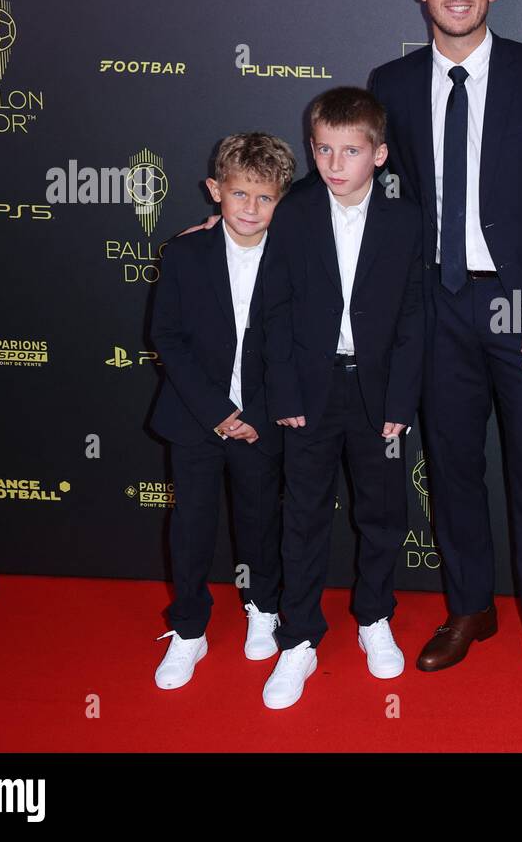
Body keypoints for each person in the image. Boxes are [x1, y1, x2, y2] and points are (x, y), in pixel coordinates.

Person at [370, 0, 522, 704]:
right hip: (433, 307)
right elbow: (356, 187)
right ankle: (469, 609)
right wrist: (241, 220)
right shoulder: (390, 84)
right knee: (453, 469)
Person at [258, 86, 424, 709]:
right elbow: (272, 307)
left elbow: (414, 315)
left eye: (349, 151)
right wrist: (284, 390)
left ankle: (374, 615)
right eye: (323, 149)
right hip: (311, 389)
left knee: (381, 512)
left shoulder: (406, 217)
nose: (334, 163)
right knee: (303, 513)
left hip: (378, 391)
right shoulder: (295, 210)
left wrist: (400, 403)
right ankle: (298, 637)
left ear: (378, 155)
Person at [148, 132, 296, 691]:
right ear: (216, 191)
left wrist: (257, 411)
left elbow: (302, 342)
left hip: (262, 420)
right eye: (239, 195)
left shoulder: (294, 256)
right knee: (192, 524)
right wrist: (217, 412)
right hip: (195, 420)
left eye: (265, 197)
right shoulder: (186, 252)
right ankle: (189, 628)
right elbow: (166, 337)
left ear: (282, 199)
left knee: (261, 518)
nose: (251, 209)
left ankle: (263, 607)